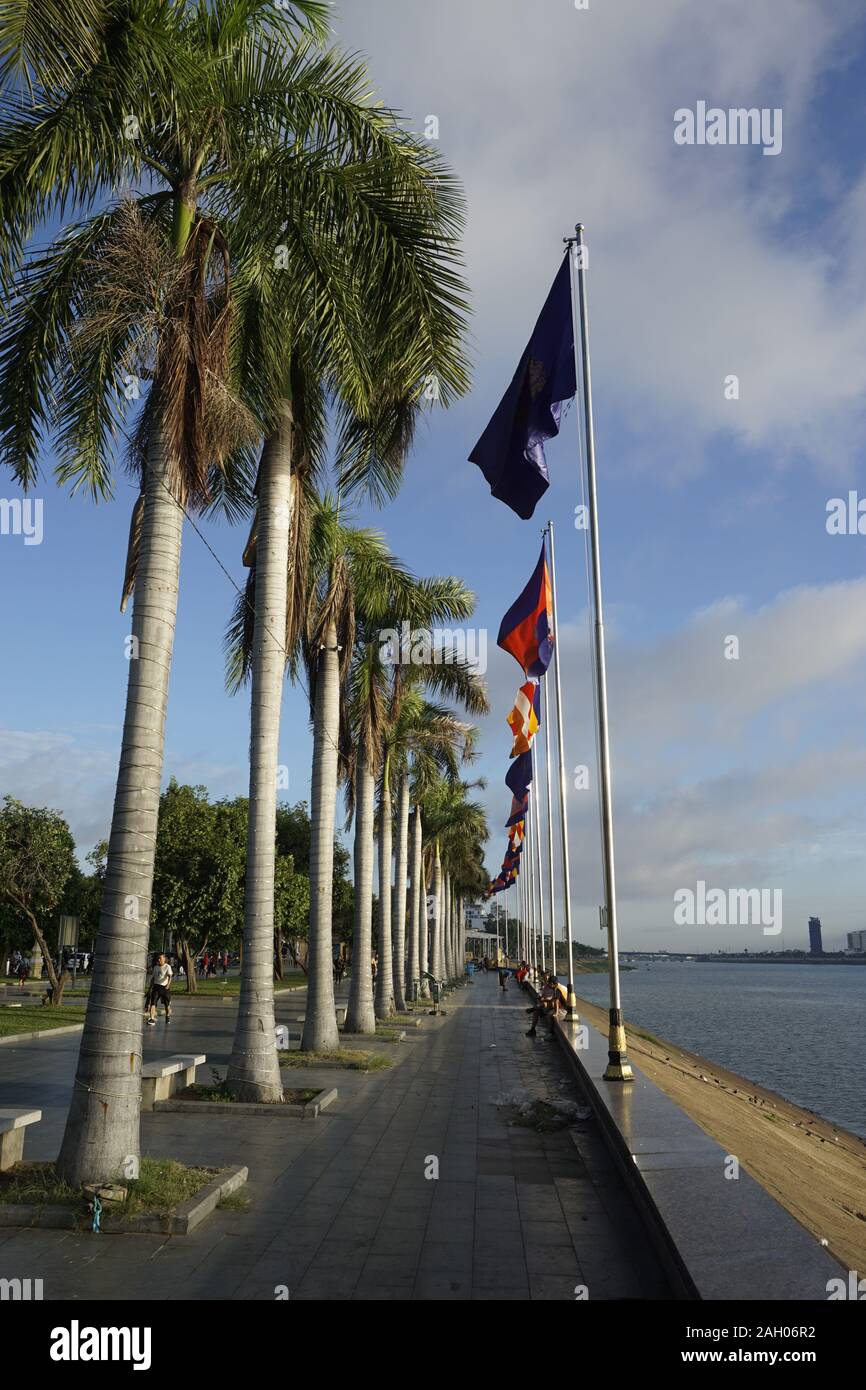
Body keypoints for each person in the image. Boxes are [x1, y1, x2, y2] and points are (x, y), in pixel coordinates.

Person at [146, 953, 173, 1025]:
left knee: (167, 1006)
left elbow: (170, 976)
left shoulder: (167, 966)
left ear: (164, 959)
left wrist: (168, 985)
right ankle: (152, 1019)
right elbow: (153, 978)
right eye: (158, 958)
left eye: (160, 958)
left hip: (164, 988)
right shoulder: (155, 967)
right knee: (153, 1003)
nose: (159, 960)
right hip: (156, 987)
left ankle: (167, 1017)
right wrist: (150, 988)